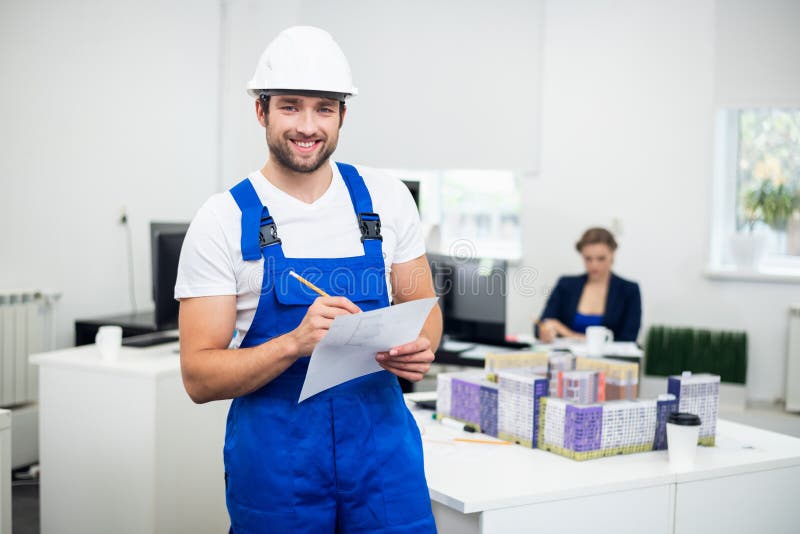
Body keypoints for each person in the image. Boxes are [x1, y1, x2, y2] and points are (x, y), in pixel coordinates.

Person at [175, 26, 441, 533]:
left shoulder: (387, 200)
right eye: (290, 106)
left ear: (342, 114)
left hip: (384, 459)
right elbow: (198, 377)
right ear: (261, 111)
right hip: (280, 468)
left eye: (324, 108)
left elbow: (426, 313)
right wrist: (293, 343)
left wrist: (417, 349)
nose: (307, 125)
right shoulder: (222, 219)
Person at [537, 227, 641, 343]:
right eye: (588, 259)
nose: (594, 265)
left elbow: (628, 338)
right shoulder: (566, 285)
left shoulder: (629, 290)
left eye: (601, 259)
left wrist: (570, 334)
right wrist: (545, 331)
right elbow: (541, 324)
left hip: (610, 360)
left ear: (612, 255)